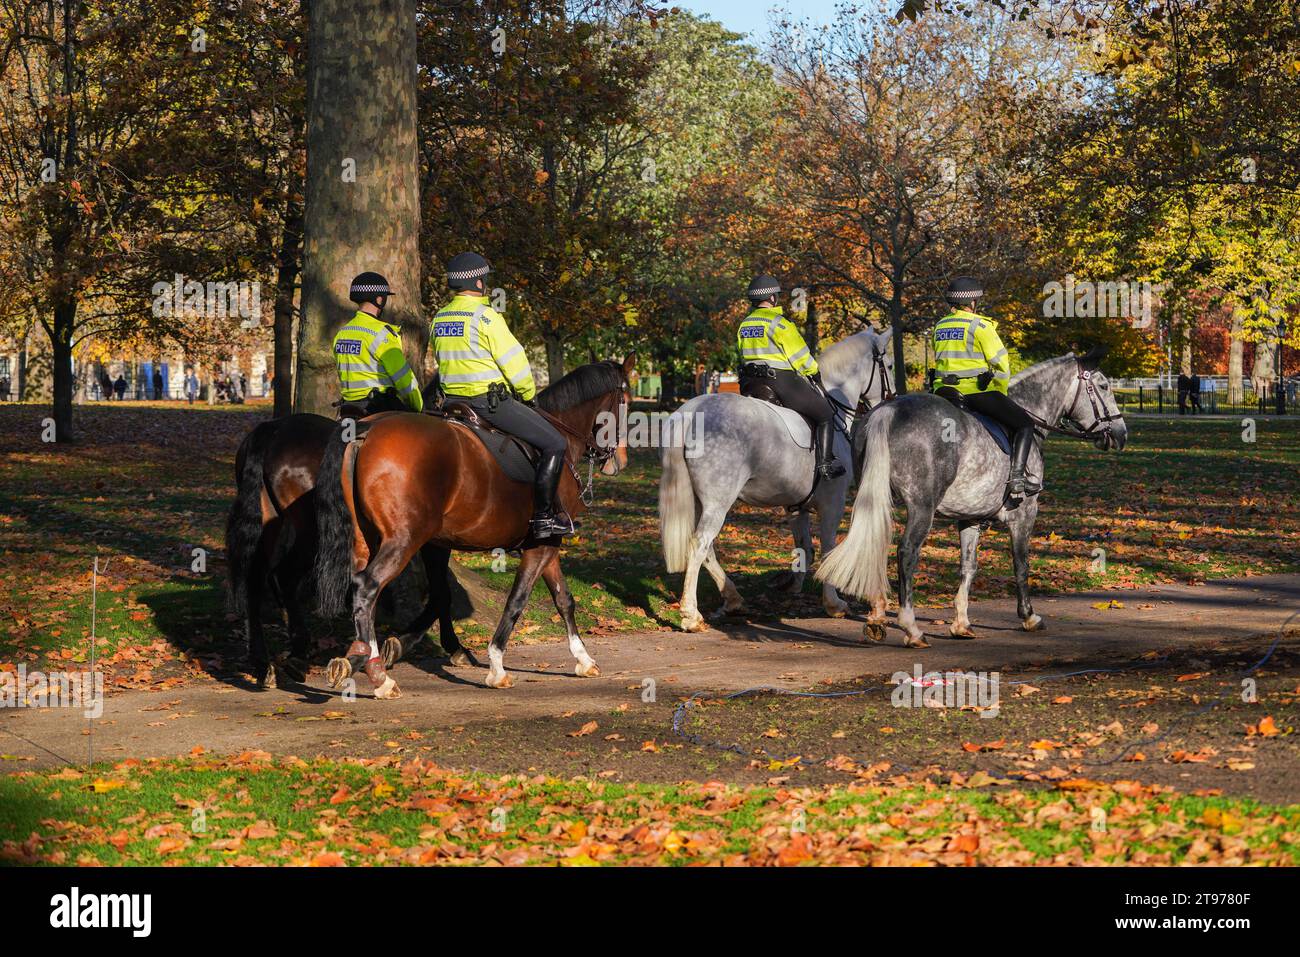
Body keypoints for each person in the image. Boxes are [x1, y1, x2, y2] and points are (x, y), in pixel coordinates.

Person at [430, 251, 573, 539]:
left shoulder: (439, 318)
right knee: (555, 443)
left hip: (451, 405)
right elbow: (515, 362)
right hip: (488, 404)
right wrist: (528, 394)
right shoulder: (486, 318)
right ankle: (543, 518)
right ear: (479, 284)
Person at [931, 275, 1041, 505]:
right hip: (975, 393)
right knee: (1025, 424)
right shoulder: (980, 326)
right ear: (972, 303)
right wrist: (999, 392)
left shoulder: (939, 326)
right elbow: (1001, 365)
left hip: (943, 394)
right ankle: (1017, 478)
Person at [736, 274, 844, 480]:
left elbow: (741, 355)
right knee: (826, 414)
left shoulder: (744, 325)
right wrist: (814, 372)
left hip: (750, 384)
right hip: (780, 382)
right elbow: (801, 357)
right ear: (773, 298)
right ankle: (826, 465)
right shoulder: (780, 324)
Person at [331, 272, 424, 417]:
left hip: (348, 410)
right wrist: (418, 405)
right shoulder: (383, 335)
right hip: (379, 409)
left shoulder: (342, 334)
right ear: (380, 300)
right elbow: (403, 379)